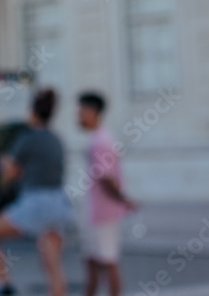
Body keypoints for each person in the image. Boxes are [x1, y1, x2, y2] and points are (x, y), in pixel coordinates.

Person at [0, 88, 72, 296]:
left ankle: (4, 285)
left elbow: (9, 172)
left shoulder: (27, 138)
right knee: (53, 265)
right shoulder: (56, 139)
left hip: (35, 202)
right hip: (59, 203)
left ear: (32, 112)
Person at [77, 92, 137, 296]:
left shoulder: (101, 141)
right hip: (98, 211)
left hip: (103, 212)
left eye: (81, 112)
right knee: (93, 261)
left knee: (108, 260)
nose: (78, 117)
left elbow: (106, 178)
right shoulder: (100, 138)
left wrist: (124, 199)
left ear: (92, 112)